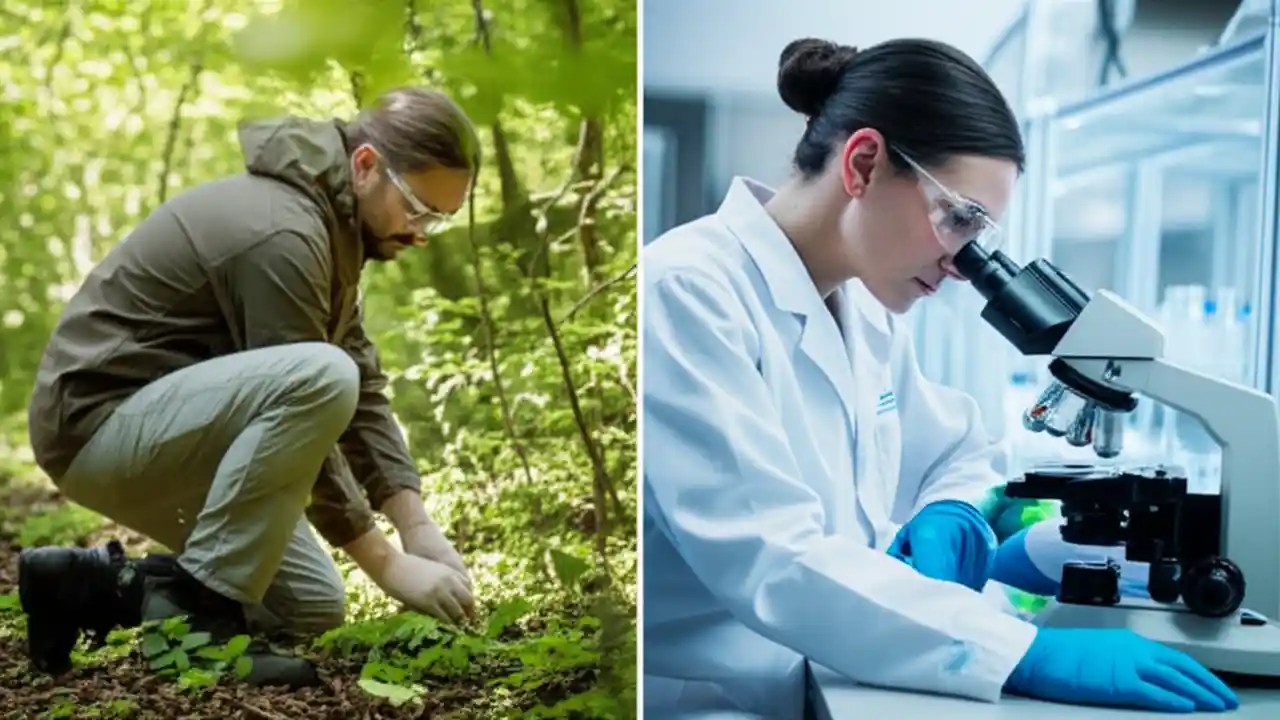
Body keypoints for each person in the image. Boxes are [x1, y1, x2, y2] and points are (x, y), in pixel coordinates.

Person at [642, 37, 1240, 718]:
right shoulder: (687, 292)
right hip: (708, 699)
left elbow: (957, 448)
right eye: (958, 218)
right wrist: (1019, 653)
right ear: (864, 163)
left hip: (828, 679)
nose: (963, 265)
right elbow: (772, 557)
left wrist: (949, 507)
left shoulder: (864, 306)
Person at [19, 87, 479, 687]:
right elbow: (311, 393)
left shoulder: (333, 234)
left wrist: (417, 530)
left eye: (437, 222)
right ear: (365, 166)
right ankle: (195, 624)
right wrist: (388, 566)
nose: (421, 234)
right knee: (321, 374)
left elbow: (361, 386)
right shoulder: (284, 233)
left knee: (310, 604)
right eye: (417, 209)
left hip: (172, 429)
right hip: (97, 424)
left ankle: (81, 585)